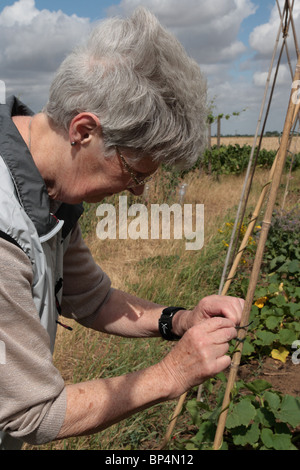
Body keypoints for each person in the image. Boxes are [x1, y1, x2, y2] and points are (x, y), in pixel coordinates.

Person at [0, 8, 244, 449]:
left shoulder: (50, 195)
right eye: (134, 173)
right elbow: (31, 414)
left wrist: (180, 321)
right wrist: (171, 374)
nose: (136, 193)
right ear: (84, 130)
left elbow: (92, 299)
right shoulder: (4, 230)